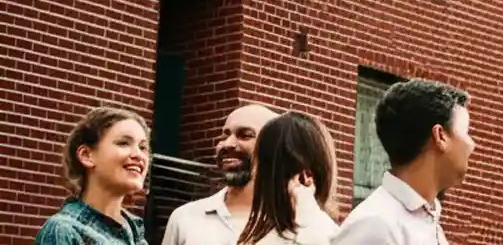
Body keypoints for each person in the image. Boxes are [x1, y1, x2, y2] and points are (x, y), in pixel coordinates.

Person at [333, 79, 474, 245]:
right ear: (440, 136)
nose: (472, 144)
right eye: (465, 132)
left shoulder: (426, 223)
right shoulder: (376, 227)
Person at [163, 104, 279, 245]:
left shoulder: (297, 225)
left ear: (274, 148)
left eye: (245, 135)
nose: (228, 143)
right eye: (225, 136)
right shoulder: (184, 218)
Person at [35, 106, 151, 245]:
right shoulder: (64, 231)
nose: (139, 155)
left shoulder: (136, 234)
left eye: (143, 147)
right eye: (124, 143)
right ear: (86, 155)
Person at [238, 112, 340, 245]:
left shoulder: (312, 235)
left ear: (306, 177)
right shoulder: (332, 233)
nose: (254, 175)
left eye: (259, 167)